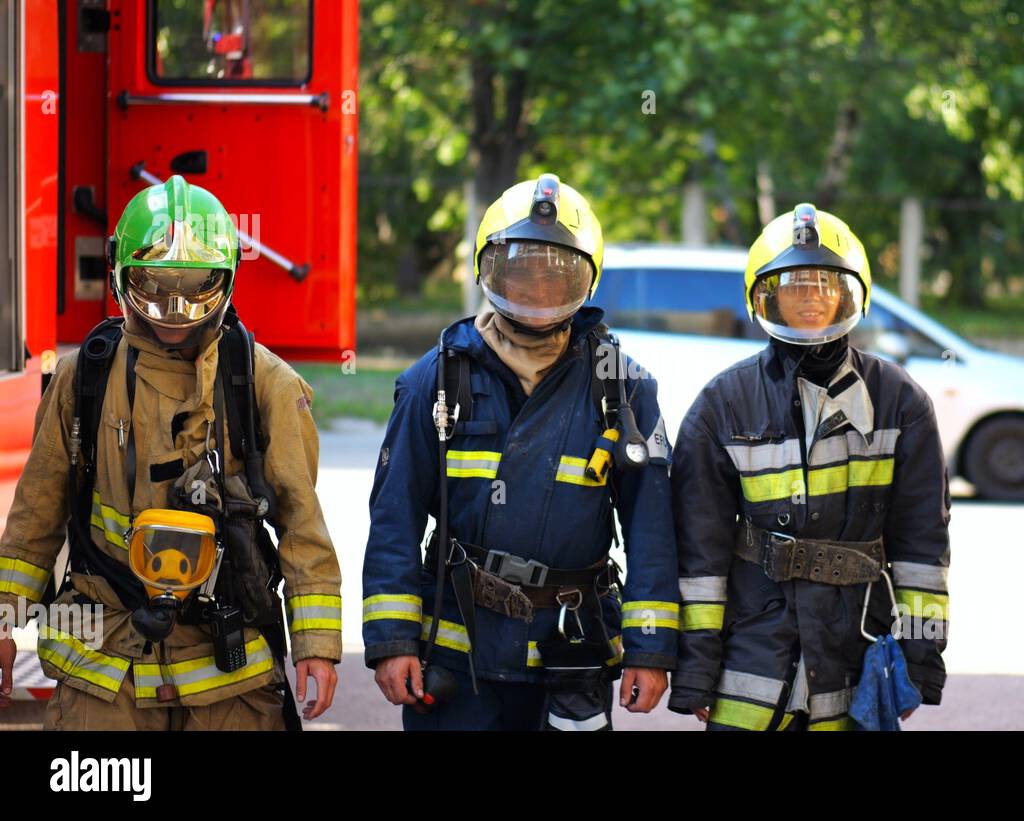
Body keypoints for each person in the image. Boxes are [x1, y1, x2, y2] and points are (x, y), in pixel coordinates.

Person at [0, 175, 341, 729]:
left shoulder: (263, 383)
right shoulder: (83, 377)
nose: (173, 310)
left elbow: (303, 526)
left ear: (226, 279)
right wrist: (4, 624)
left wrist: (317, 643)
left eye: (193, 287)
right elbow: (34, 519)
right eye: (155, 286)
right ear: (121, 277)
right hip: (103, 666)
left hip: (226, 670)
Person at [363, 173, 678, 730]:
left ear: (586, 281)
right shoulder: (433, 381)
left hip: (570, 655)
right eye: (522, 269)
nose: (536, 289)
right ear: (490, 269)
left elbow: (651, 528)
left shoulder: (623, 389)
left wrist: (650, 647)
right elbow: (394, 518)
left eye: (556, 274)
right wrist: (392, 639)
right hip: (458, 655)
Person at [667, 203, 950, 730]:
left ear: (852, 295)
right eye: (796, 286)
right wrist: (696, 669)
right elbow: (697, 554)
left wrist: (920, 661)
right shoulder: (722, 404)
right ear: (766, 298)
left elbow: (922, 549)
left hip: (855, 642)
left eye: (826, 284)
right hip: (750, 658)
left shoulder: (900, 401)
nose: (813, 297)